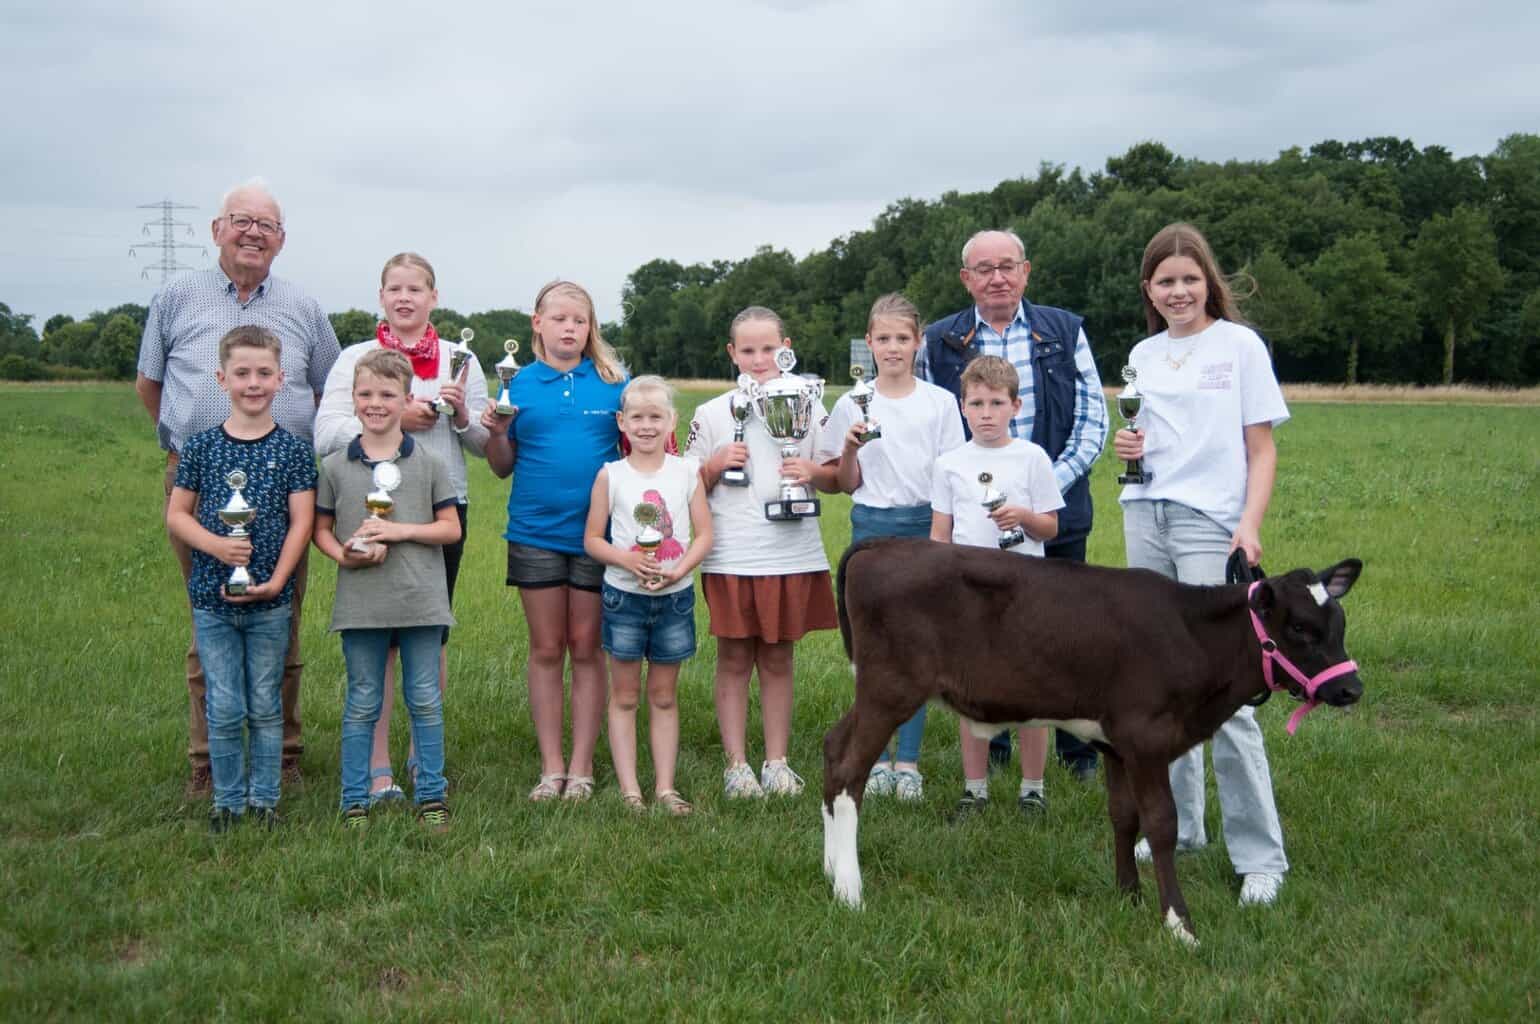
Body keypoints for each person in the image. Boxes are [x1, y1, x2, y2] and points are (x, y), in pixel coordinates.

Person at [135, 179, 340, 798]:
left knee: (284, 616)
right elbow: (150, 385)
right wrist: (188, 448)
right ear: (217, 228)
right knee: (211, 616)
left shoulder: (303, 308)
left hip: (285, 489)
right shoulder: (176, 297)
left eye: (267, 225)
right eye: (241, 220)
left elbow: (329, 387)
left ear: (282, 240)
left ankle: (283, 754)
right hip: (197, 486)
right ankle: (206, 759)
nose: (253, 233)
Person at [1115, 222, 1291, 907]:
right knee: (1161, 686)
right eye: (1166, 282)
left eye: (1190, 279)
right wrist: (1132, 449)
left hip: (1209, 525)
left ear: (1207, 281)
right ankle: (1183, 827)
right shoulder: (1144, 353)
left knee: (1226, 693)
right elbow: (1150, 438)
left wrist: (1248, 524)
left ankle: (1260, 856)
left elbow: (1262, 449)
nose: (1179, 292)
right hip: (1145, 516)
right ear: (1148, 291)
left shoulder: (1240, 347)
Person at [918, 229, 1106, 783]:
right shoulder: (941, 339)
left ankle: (1077, 752)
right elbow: (936, 422)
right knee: (980, 636)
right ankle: (990, 749)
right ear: (966, 279)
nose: (996, 277)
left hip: (1052, 514)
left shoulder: (1063, 330)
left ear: (1026, 271)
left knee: (1065, 636)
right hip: (973, 523)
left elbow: (1093, 419)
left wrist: (1042, 485)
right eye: (984, 268)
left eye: (1007, 266)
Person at [314, 253, 489, 806]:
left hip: (440, 509)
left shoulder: (461, 359)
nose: (405, 297)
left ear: (434, 296)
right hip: (369, 513)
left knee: (428, 631)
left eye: (417, 288)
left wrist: (460, 418)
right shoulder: (354, 359)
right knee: (378, 639)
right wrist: (397, 416)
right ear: (382, 296)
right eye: (395, 288)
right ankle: (378, 763)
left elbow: (486, 443)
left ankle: (422, 756)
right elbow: (326, 431)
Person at [164, 327, 316, 832]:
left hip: (270, 601)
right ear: (221, 378)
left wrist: (279, 580)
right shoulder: (202, 447)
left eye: (264, 373)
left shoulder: (295, 451)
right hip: (213, 601)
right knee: (224, 704)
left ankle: (265, 801)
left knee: (266, 704)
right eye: (243, 373)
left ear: (281, 378)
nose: (254, 383)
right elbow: (178, 516)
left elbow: (302, 521)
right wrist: (216, 545)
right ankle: (227, 803)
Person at [684, 306, 841, 798]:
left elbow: (838, 477)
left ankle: (776, 761)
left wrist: (813, 474)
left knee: (778, 658)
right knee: (733, 659)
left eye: (768, 349)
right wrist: (712, 466)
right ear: (732, 353)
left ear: (786, 348)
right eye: (747, 350)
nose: (758, 359)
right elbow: (681, 485)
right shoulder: (713, 413)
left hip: (792, 551)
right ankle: (737, 767)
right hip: (732, 553)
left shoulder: (810, 405)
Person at [480, 281, 627, 803]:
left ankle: (583, 767)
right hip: (535, 532)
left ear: (591, 329)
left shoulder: (614, 384)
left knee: (587, 648)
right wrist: (497, 433)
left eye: (580, 321)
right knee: (546, 648)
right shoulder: (516, 386)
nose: (570, 328)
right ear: (536, 323)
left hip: (598, 537)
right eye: (560, 318)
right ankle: (551, 767)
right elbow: (501, 467)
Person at [815, 293, 964, 802]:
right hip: (871, 530)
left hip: (924, 528)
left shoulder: (940, 402)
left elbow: (950, 476)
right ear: (869, 343)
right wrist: (852, 446)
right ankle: (875, 759)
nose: (893, 348)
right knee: (875, 649)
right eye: (883, 339)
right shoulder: (851, 402)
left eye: (903, 338)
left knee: (919, 651)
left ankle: (909, 763)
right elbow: (844, 480)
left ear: (919, 342)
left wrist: (941, 541)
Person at [314, 349, 461, 832]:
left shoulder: (431, 462)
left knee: (424, 698)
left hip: (421, 602)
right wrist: (343, 555)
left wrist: (398, 533)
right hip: (361, 606)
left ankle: (432, 794)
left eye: (386, 394)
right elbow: (321, 530)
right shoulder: (335, 465)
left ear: (406, 399)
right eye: (365, 394)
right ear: (353, 399)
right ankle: (354, 798)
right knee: (362, 700)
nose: (375, 404)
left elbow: (450, 530)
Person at [928, 357, 1064, 819]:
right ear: (962, 407)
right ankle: (975, 788)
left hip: (1027, 595)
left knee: (1030, 691)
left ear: (1015, 406)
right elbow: (940, 535)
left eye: (996, 403)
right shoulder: (949, 464)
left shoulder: (1032, 457)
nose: (986, 412)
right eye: (977, 403)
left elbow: (1049, 527)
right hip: (969, 594)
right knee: (972, 691)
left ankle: (1032, 789)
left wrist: (1022, 517)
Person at [583, 376, 713, 814]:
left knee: (663, 695)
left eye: (655, 417)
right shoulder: (611, 476)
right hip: (624, 598)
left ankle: (664, 787)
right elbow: (592, 541)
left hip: (675, 599)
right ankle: (630, 792)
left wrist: (678, 569)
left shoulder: (687, 472)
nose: (646, 426)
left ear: (672, 420)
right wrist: (627, 561)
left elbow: (704, 535)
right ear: (621, 422)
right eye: (636, 417)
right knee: (624, 696)